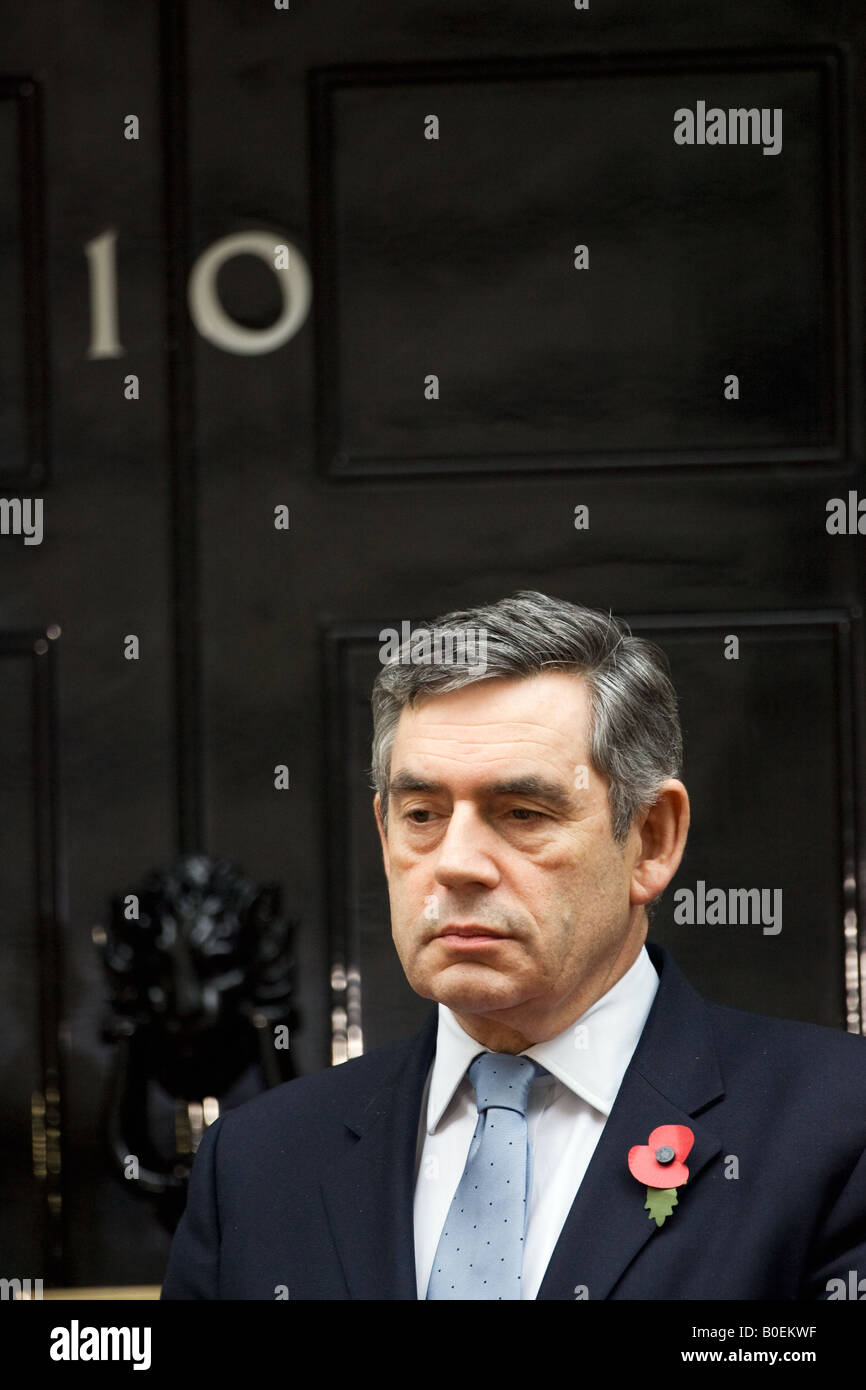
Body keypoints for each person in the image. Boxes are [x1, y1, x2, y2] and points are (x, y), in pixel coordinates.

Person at [161, 591, 866, 1300]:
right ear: (384, 833)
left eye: (523, 813)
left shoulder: (837, 1127)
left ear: (652, 839)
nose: (456, 862)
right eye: (423, 815)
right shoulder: (255, 1164)